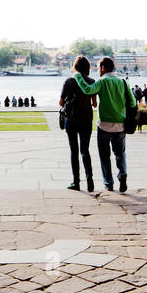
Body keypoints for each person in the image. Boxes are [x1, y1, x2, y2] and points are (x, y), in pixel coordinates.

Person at [74, 56, 137, 193]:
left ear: (103, 68)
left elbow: (88, 90)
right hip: (120, 125)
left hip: (104, 125)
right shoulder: (123, 82)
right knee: (120, 154)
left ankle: (109, 183)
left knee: (104, 156)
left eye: (98, 68)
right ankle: (122, 174)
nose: (97, 70)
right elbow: (133, 103)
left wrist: (78, 76)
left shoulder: (102, 81)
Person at [60, 55, 96, 192]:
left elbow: (61, 102)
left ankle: (76, 182)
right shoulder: (92, 81)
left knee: (74, 151)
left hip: (72, 119)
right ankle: (89, 179)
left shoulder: (69, 81)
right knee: (85, 150)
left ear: (75, 67)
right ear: (87, 68)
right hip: (86, 119)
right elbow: (94, 104)